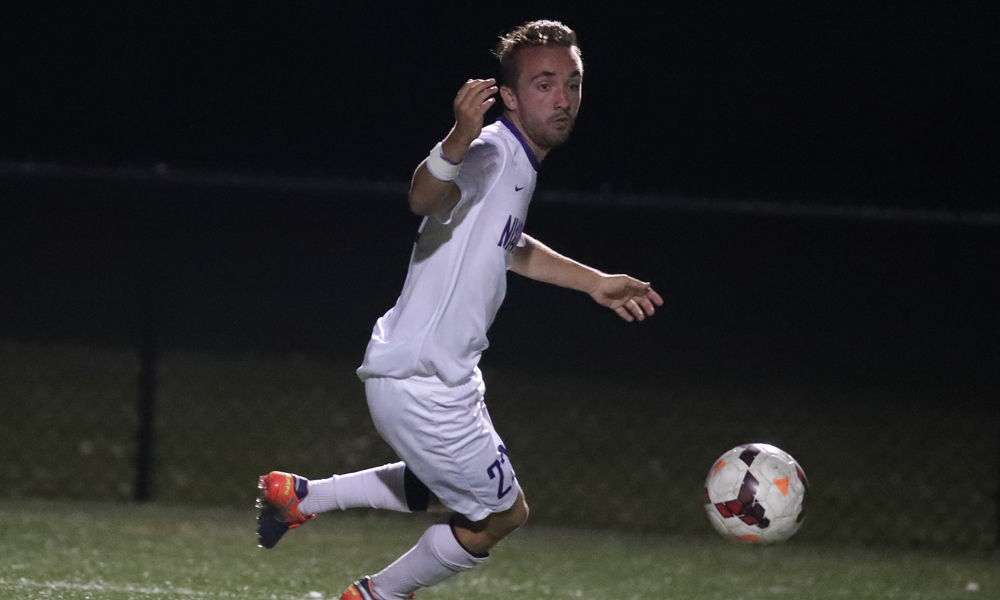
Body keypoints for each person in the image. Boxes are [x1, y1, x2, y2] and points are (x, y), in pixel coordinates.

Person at [256, 20, 663, 600]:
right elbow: (424, 196)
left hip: (434, 376)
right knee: (502, 515)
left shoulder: (517, 161)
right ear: (513, 96)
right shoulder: (492, 152)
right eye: (544, 84)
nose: (563, 98)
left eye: (572, 83)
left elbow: (508, 245)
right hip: (425, 386)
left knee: (448, 485)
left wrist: (594, 282)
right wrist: (455, 139)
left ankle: (300, 497)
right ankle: (377, 594)